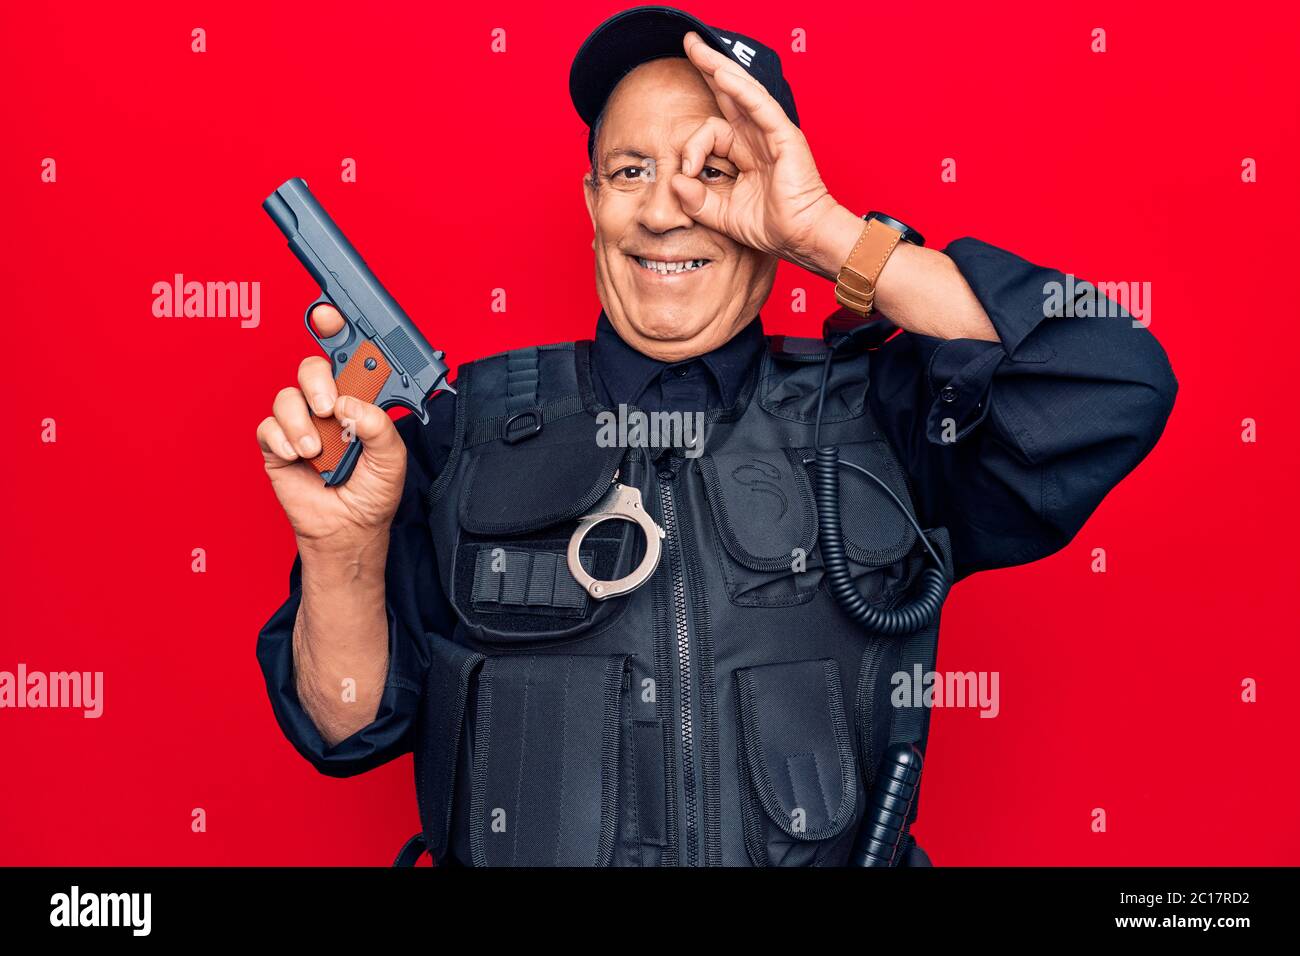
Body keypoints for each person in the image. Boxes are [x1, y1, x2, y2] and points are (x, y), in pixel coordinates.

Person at [255, 6, 1176, 866]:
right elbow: (343, 728)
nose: (663, 211)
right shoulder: (459, 429)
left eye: (713, 171)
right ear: (590, 201)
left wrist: (828, 236)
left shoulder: (883, 415)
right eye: (630, 172)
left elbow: (1116, 380)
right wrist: (342, 551)